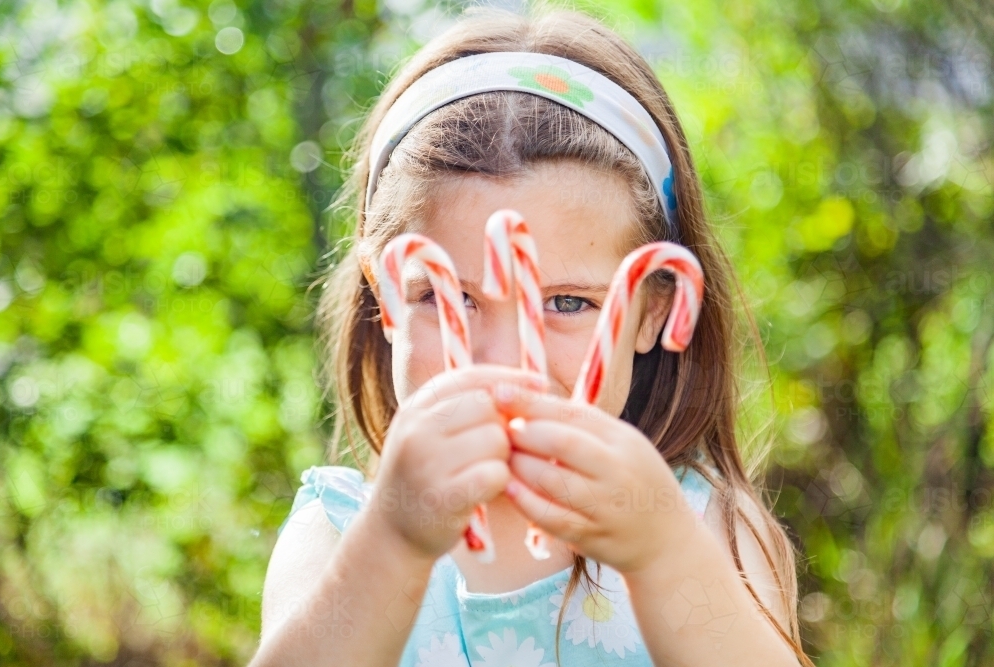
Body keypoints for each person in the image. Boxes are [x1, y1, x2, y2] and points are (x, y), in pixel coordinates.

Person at [249, 7, 813, 667]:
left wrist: (661, 549)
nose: (505, 361)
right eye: (450, 298)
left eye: (568, 302)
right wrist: (393, 543)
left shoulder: (701, 526)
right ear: (386, 292)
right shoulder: (339, 529)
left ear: (655, 309)